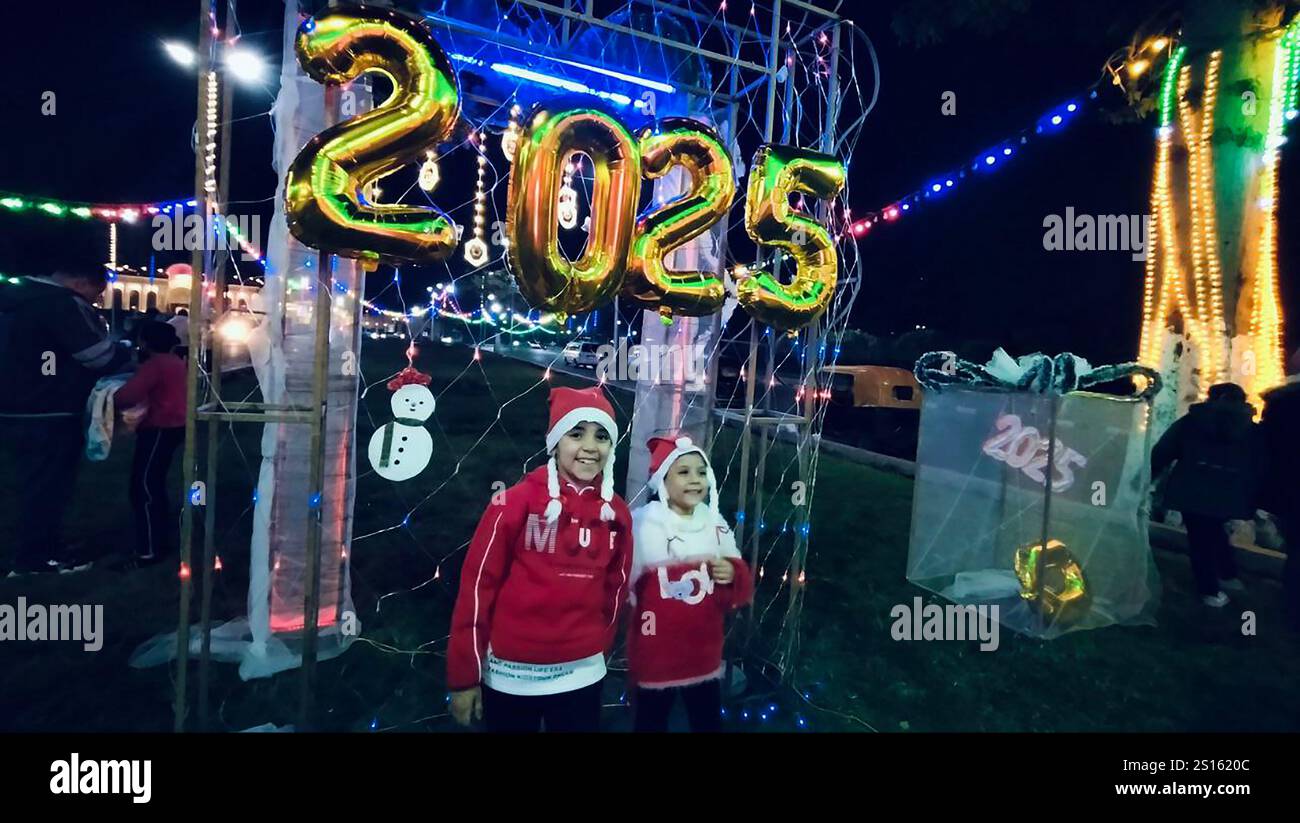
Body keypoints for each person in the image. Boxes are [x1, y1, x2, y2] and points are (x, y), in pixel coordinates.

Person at [446, 386, 633, 732]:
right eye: (576, 434)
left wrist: (598, 649)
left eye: (602, 436)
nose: (590, 447)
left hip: (581, 674)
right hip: (511, 676)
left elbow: (616, 590)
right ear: (556, 441)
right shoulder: (514, 503)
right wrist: (464, 676)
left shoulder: (617, 513)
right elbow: (477, 588)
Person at [0, 267, 132, 575]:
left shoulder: (16, 298)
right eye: (96, 294)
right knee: (49, 485)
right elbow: (97, 355)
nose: (96, 301)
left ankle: (40, 545)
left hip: (14, 408)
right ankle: (35, 559)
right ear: (80, 280)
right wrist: (124, 350)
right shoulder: (61, 303)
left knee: (31, 483)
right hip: (52, 408)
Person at [627, 435, 752, 732]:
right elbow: (624, 584)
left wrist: (733, 574)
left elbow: (736, 582)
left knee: (706, 718)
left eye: (701, 471)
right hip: (656, 652)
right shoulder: (642, 525)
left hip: (703, 651)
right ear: (662, 481)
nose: (695, 480)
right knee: (651, 718)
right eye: (683, 472)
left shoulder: (714, 523)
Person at [1151, 382, 1259, 607]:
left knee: (1200, 539)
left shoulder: (1192, 422)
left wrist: (1147, 477)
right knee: (1214, 530)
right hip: (1229, 491)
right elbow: (1260, 462)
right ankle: (1228, 575)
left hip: (1192, 488)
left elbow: (1164, 450)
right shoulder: (1251, 429)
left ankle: (1209, 590)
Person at [114, 322, 187, 565]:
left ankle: (148, 550)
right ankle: (159, 542)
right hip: (175, 426)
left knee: (143, 487)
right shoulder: (176, 362)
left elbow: (128, 396)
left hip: (159, 427)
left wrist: (107, 396)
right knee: (154, 484)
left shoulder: (155, 365)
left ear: (145, 342)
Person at [1259, 348, 1300, 630]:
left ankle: (1291, 605)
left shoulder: (1280, 403)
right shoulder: (1283, 404)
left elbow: (1265, 446)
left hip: (1286, 489)